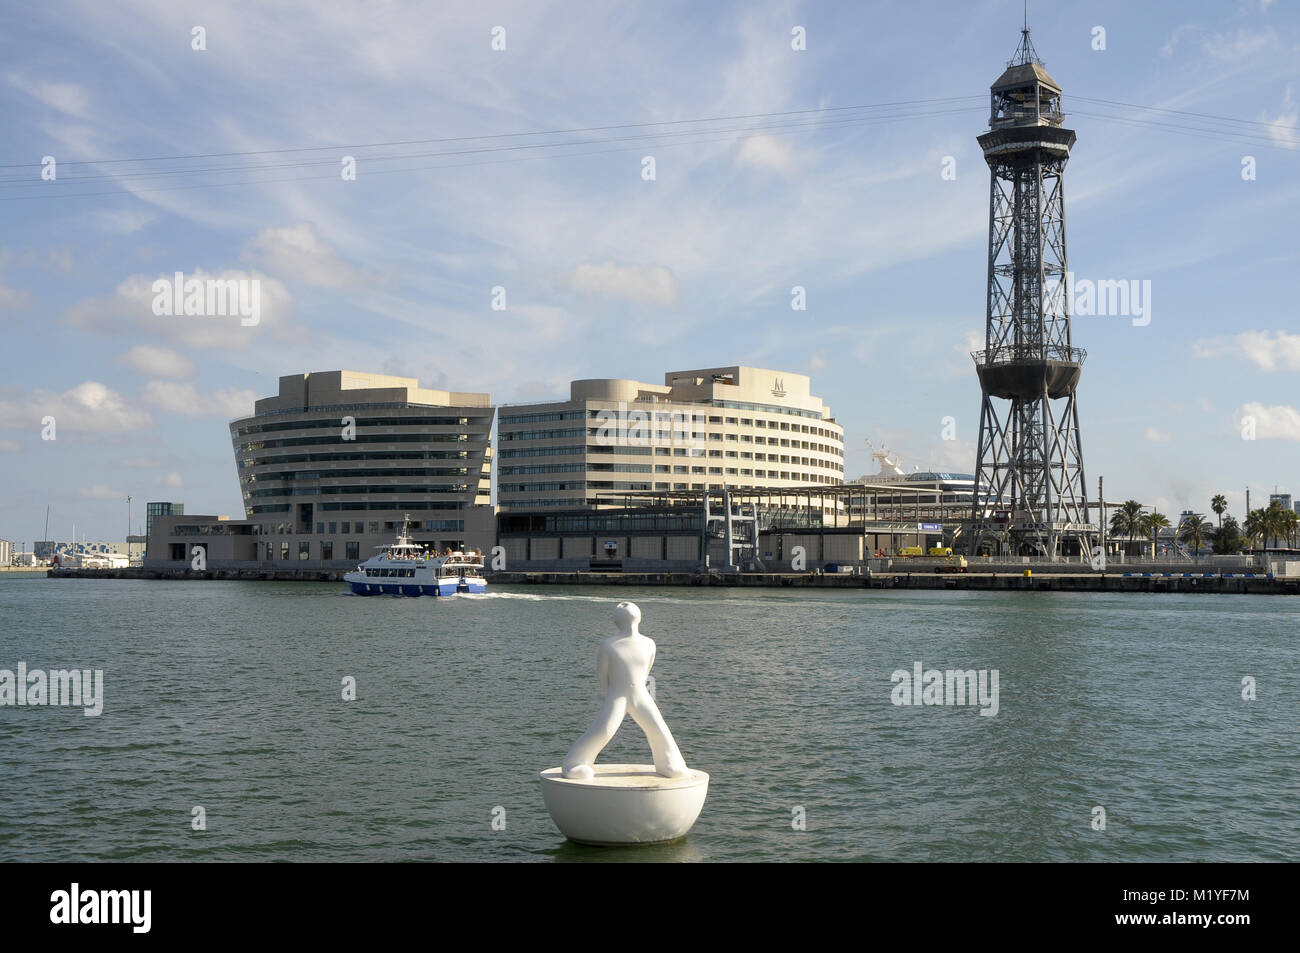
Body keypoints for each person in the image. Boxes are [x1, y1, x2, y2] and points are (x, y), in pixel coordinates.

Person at [561, 602, 691, 780]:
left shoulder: (649, 644)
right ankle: (575, 763)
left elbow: (644, 672)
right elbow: (602, 674)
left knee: (658, 728)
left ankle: (669, 763)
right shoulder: (609, 645)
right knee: (603, 730)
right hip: (617, 695)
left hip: (640, 694)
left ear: (616, 620)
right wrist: (608, 695)